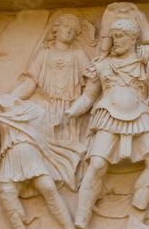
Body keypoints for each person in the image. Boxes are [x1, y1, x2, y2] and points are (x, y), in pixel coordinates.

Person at [65, 19, 149, 229]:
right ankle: (81, 219)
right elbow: (88, 98)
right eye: (114, 36)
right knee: (97, 165)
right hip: (108, 116)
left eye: (121, 36)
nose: (117, 41)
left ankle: (136, 218)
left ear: (134, 38)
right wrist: (70, 112)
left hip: (140, 116)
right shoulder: (102, 65)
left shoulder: (146, 63)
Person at [0, 94, 85, 229]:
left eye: (8, 98)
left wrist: (53, 120)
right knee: (6, 192)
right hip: (11, 162)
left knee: (48, 187)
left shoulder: (30, 110)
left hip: (33, 158)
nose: (4, 100)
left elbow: (46, 120)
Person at [11, 13, 95, 142]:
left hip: (70, 109)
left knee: (67, 145)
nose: (68, 30)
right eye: (65, 26)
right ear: (56, 29)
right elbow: (30, 84)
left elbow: (92, 83)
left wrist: (82, 106)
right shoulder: (43, 54)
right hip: (44, 107)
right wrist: (10, 99)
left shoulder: (79, 55)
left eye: (72, 29)